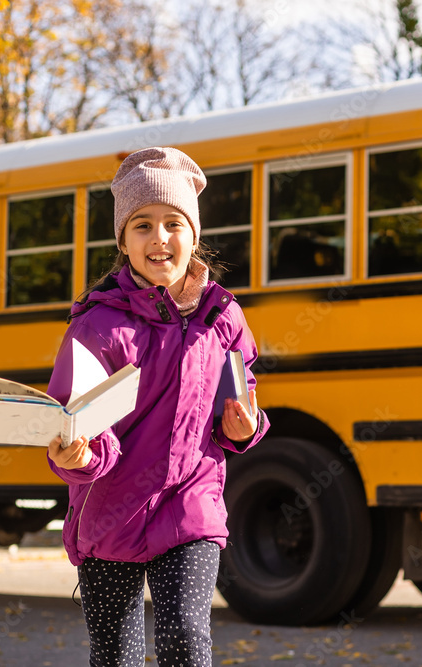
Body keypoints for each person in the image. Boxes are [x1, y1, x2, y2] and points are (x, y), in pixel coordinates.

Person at [45, 146, 269, 667]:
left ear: (193, 236)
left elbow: (240, 404)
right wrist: (78, 456)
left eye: (173, 223)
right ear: (123, 241)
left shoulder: (224, 318)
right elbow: (71, 423)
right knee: (116, 655)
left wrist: (243, 428)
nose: (159, 238)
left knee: (187, 643)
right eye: (142, 225)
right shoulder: (97, 327)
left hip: (191, 505)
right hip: (109, 513)